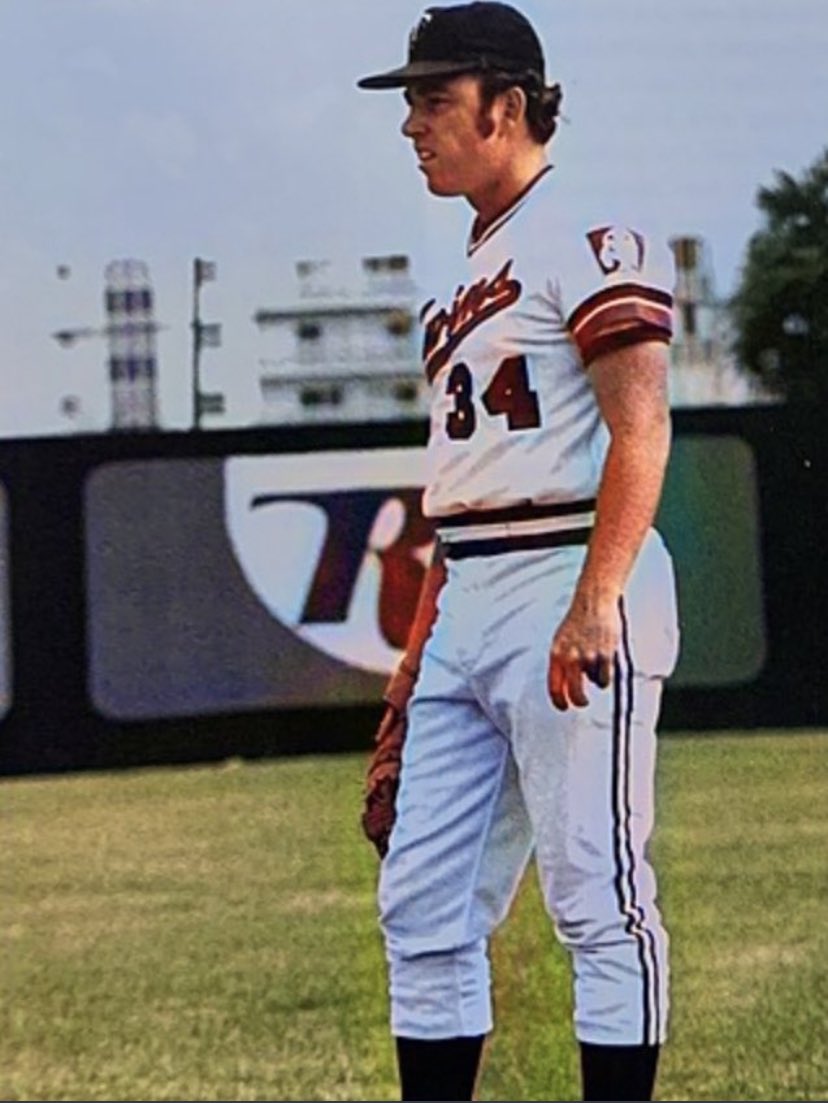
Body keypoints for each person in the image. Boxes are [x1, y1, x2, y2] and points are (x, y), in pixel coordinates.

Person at [357, 4, 680, 1099]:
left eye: (433, 99)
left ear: (507, 105)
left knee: (596, 893)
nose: (412, 124)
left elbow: (642, 429)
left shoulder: (589, 233)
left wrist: (599, 598)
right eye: (411, 101)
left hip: (568, 568)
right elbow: (460, 493)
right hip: (469, 589)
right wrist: (413, 665)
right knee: (422, 903)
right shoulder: (457, 278)